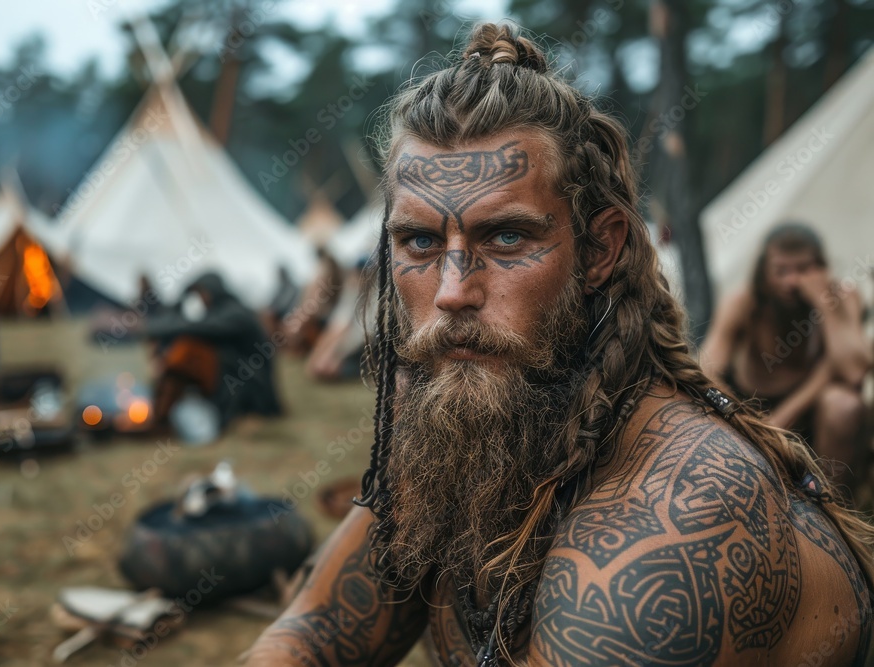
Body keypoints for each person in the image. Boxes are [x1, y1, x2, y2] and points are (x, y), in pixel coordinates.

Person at [244, 23, 874, 667]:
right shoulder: (460, 436)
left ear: (601, 249)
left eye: (507, 238)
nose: (453, 292)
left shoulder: (681, 519)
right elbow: (315, 633)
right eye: (421, 243)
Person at [701, 223, 872, 492]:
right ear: (764, 272)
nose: (792, 282)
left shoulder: (842, 298)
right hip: (748, 411)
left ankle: (830, 507)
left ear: (822, 268)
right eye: (781, 271)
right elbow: (706, 374)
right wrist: (746, 423)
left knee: (844, 405)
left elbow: (854, 371)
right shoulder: (744, 303)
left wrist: (824, 304)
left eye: (803, 270)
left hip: (811, 421)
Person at [143, 272, 281, 429]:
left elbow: (196, 327)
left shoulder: (235, 314)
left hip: (255, 391)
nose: (200, 299)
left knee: (190, 350)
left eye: (201, 293)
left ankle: (162, 418)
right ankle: (163, 416)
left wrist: (150, 328)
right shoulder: (221, 312)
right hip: (239, 383)